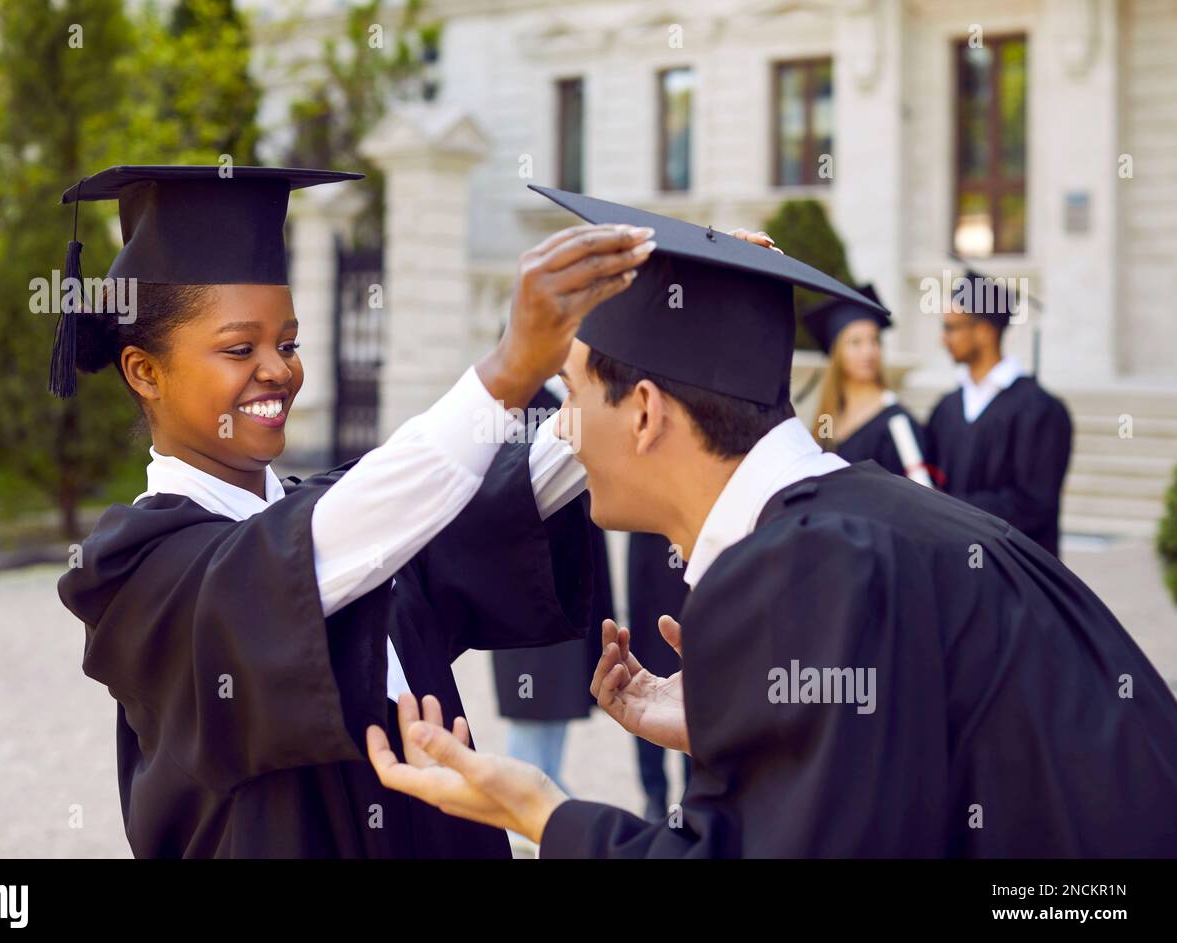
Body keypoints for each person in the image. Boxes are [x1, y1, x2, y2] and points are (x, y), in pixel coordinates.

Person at [365, 185, 1177, 858]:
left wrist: (542, 812)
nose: (563, 432)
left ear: (644, 413)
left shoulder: (800, 568)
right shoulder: (869, 521)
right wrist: (748, 722)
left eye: (572, 400)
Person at [52, 164, 655, 857]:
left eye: (288, 343)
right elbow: (314, 550)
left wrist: (647, 346)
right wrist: (507, 371)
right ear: (144, 371)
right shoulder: (141, 576)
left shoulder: (336, 522)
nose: (278, 370)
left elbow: (498, 495)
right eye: (239, 348)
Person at [491, 379, 615, 803]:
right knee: (534, 710)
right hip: (530, 583)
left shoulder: (577, 401)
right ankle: (529, 816)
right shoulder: (521, 402)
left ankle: (545, 802)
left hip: (571, 580)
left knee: (556, 706)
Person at [926, 269, 1073, 557]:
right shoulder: (947, 407)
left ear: (983, 331)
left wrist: (945, 508)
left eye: (951, 327)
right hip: (955, 564)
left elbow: (1033, 503)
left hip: (1015, 572)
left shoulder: (1039, 410)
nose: (944, 339)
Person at [803, 285, 931, 485]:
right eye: (856, 343)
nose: (868, 351)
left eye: (874, 341)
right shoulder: (828, 420)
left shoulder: (897, 422)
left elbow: (921, 493)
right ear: (836, 353)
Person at [624, 531, 689, 821]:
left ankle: (693, 791)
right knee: (645, 676)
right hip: (649, 538)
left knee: (699, 674)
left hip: (693, 536)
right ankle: (653, 793)